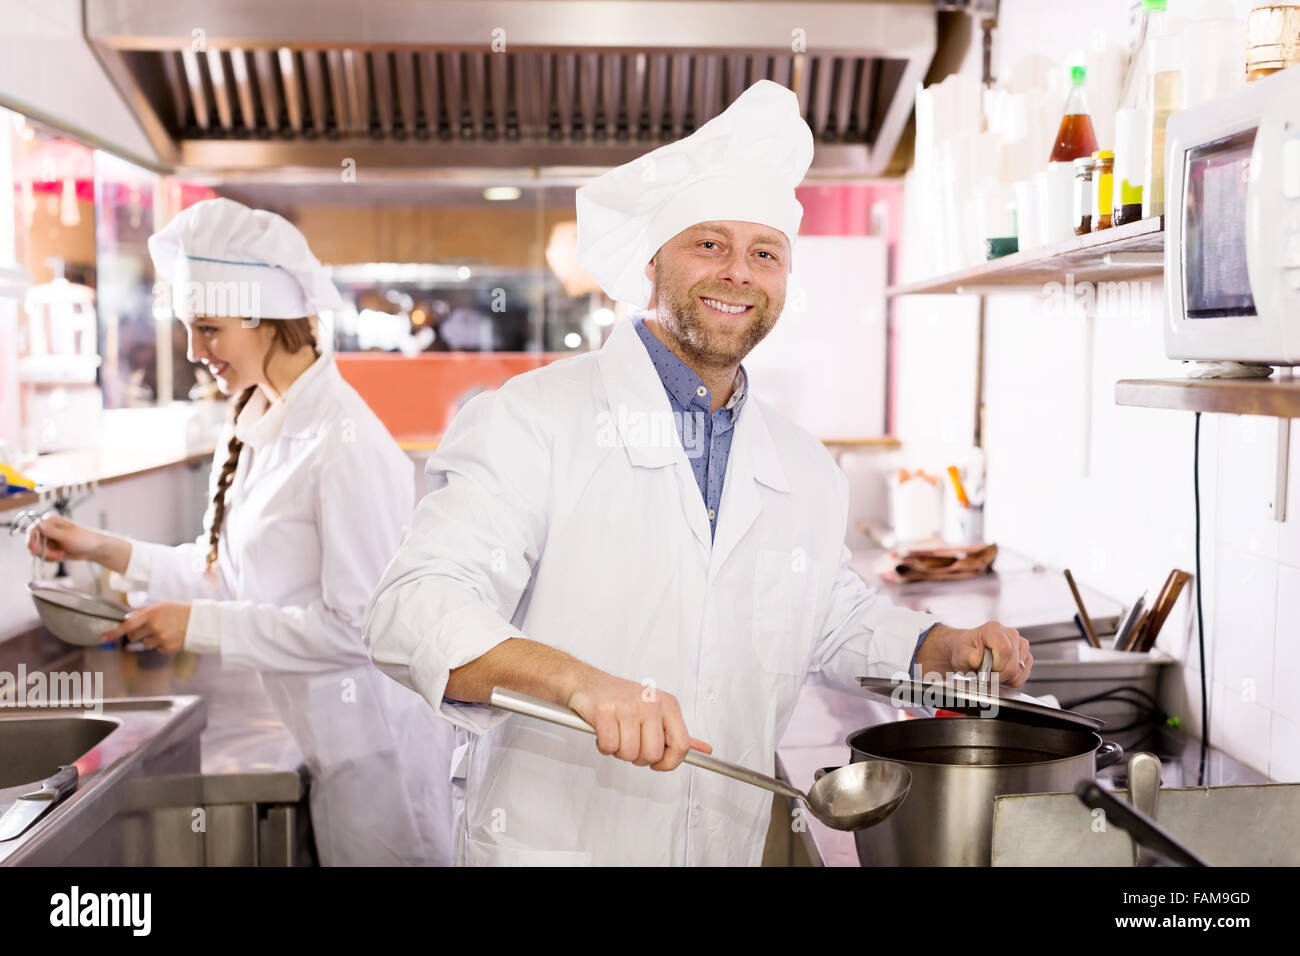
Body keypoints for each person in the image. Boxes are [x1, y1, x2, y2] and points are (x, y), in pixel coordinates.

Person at [362, 81, 1033, 866]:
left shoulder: (803, 466)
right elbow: (411, 609)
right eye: (709, 243)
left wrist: (936, 649)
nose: (739, 273)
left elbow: (825, 618)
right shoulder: (533, 419)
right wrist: (581, 684)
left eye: (765, 252)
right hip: (552, 846)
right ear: (654, 260)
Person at [30, 198, 454, 866]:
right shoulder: (266, 421)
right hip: (330, 747)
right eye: (187, 329)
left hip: (379, 765)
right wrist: (106, 549)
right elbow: (229, 576)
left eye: (208, 329)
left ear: (267, 319)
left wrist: (197, 625)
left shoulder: (345, 445)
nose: (195, 353)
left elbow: (361, 630)